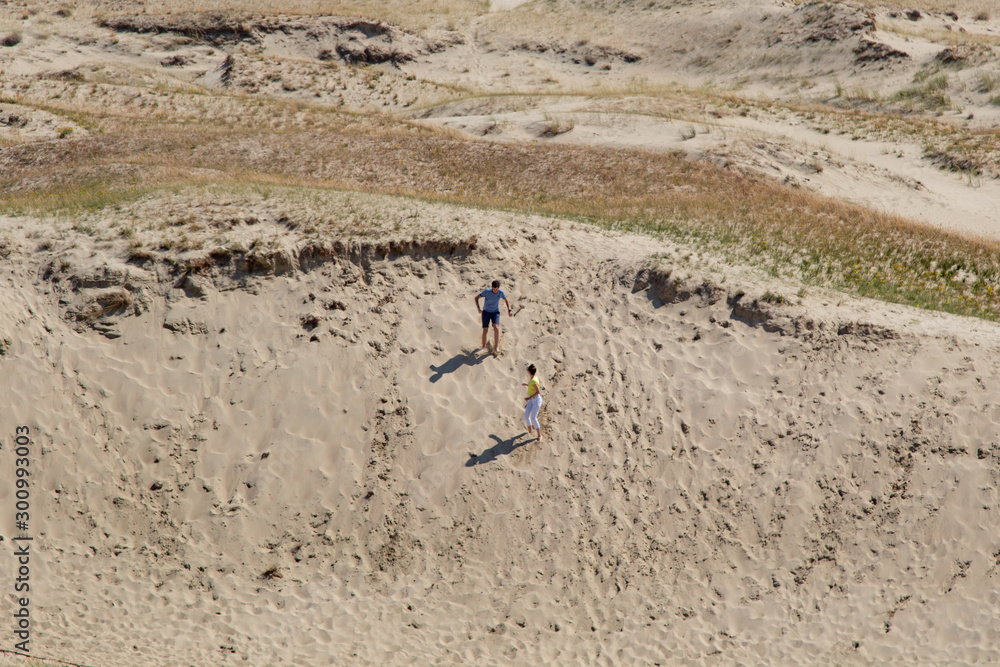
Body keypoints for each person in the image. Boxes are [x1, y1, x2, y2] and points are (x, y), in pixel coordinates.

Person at [474, 280, 513, 355]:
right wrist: (478, 308)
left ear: (498, 288)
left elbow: (506, 300)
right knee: (485, 330)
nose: (495, 290)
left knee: (496, 328)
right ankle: (483, 347)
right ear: (492, 287)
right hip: (486, 312)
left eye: (496, 289)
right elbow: (476, 298)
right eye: (494, 289)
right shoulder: (487, 292)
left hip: (495, 313)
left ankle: (496, 346)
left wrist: (509, 310)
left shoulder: (500, 293)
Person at [522, 364, 543, 441]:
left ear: (529, 372)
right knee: (526, 415)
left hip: (536, 400)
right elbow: (532, 386)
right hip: (532, 399)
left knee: (533, 417)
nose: (527, 371)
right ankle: (530, 431)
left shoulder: (533, 380)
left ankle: (539, 435)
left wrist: (529, 398)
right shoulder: (533, 378)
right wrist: (527, 385)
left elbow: (538, 392)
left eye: (528, 370)